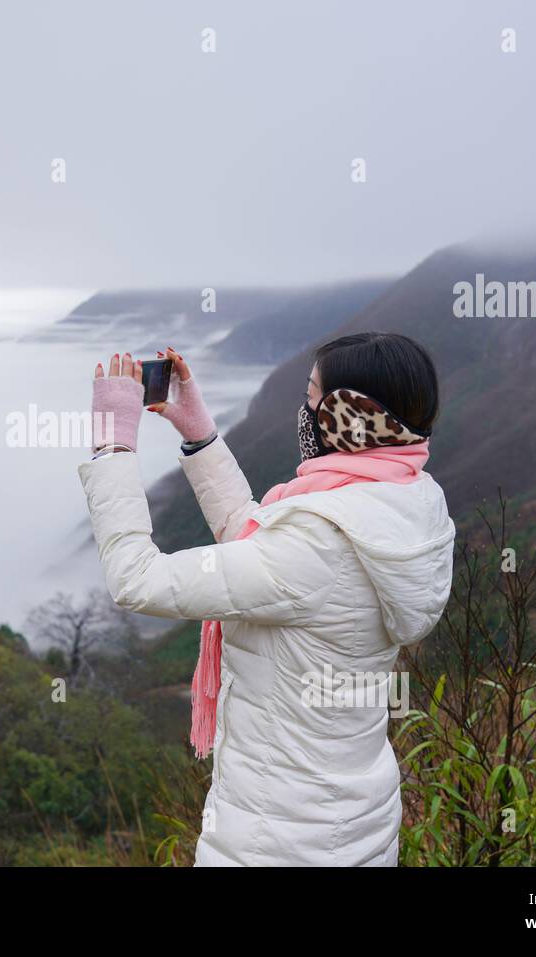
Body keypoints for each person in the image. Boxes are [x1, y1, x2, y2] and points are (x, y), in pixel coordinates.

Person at [78, 332, 455, 866]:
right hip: (358, 824)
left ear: (344, 417)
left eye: (310, 396)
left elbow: (135, 578)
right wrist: (199, 435)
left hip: (273, 843)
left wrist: (112, 446)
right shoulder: (407, 505)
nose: (301, 410)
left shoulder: (318, 544)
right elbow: (261, 554)